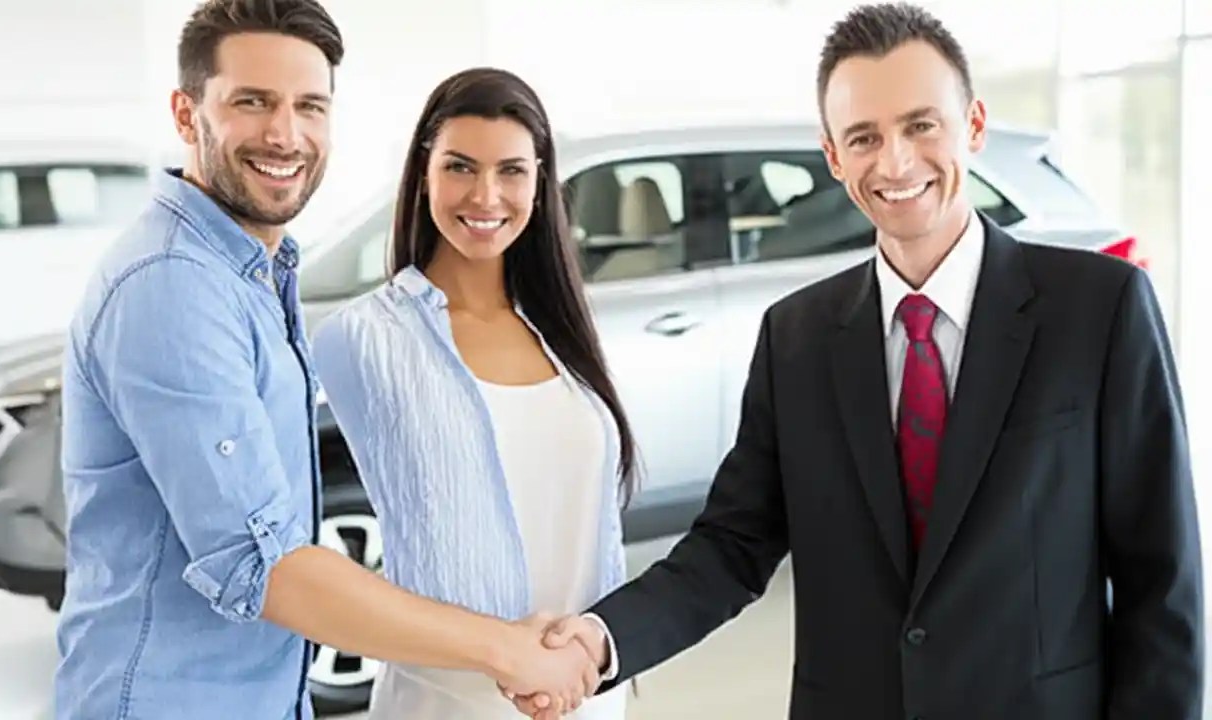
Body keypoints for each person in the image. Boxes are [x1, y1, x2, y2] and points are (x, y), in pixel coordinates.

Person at [515, 3, 1205, 719]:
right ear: (834, 157)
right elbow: (731, 545)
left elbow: (1164, 582)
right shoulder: (796, 337)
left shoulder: (1099, 308)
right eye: (864, 137)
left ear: (972, 126)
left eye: (920, 125)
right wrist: (599, 641)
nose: (895, 161)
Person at [55, 3, 597, 719]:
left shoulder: (249, 275)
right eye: (252, 102)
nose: (285, 134)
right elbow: (265, 565)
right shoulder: (171, 286)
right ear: (187, 115)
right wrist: (508, 649)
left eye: (309, 106)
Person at [308, 66, 636, 719]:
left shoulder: (562, 329)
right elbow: (290, 554)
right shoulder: (358, 340)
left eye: (511, 170)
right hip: (448, 705)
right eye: (461, 167)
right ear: (423, 172)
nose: (486, 194)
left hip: (586, 701)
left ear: (541, 183)